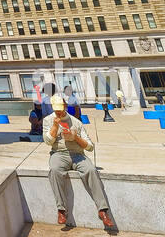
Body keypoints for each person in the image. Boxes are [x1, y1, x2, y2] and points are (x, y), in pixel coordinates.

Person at [43, 94, 114, 229]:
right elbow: (47, 141)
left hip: (77, 154)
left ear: (65, 106)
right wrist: (55, 126)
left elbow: (90, 146)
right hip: (59, 153)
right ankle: (61, 209)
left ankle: (103, 210)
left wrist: (75, 137)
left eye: (61, 108)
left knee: (91, 170)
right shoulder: (48, 120)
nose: (59, 111)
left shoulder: (76, 122)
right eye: (56, 109)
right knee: (55, 171)